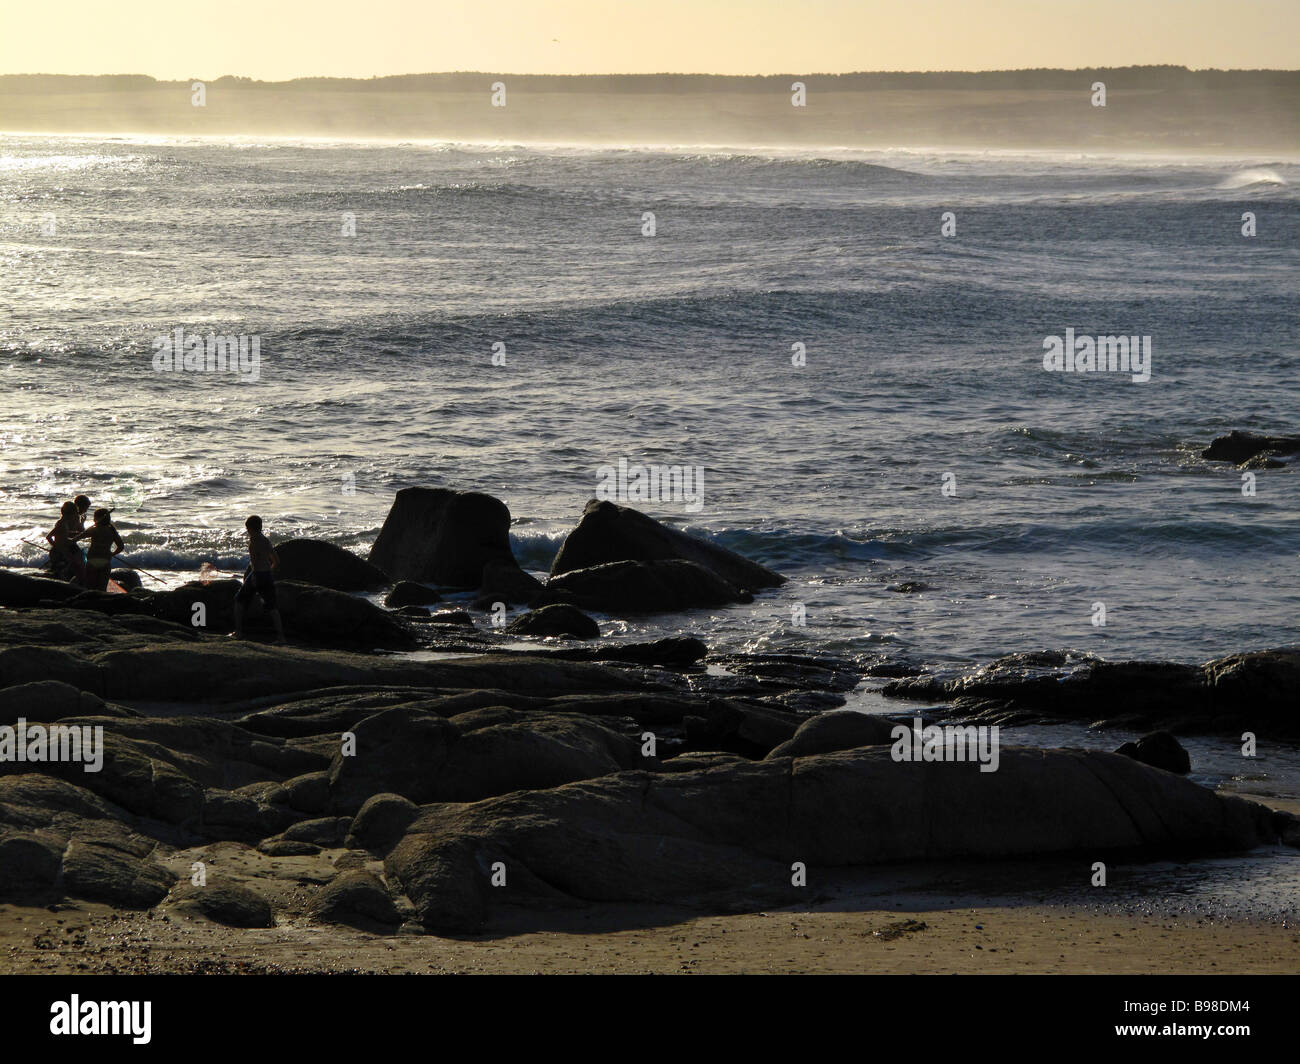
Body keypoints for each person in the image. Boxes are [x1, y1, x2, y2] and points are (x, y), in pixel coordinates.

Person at [230, 515, 284, 643]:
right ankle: (281, 637)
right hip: (267, 574)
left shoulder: (253, 542)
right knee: (272, 607)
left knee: (239, 601)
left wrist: (254, 577)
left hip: (256, 575)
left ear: (251, 528)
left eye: (247, 528)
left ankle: (238, 632)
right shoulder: (265, 540)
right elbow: (276, 561)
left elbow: (254, 562)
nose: (247, 531)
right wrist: (270, 571)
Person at [74, 508, 124, 592]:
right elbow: (121, 546)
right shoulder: (112, 531)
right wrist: (112, 554)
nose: (93, 519)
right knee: (102, 589)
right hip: (105, 561)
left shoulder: (94, 530)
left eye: (94, 517)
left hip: (92, 561)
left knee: (90, 588)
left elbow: (76, 538)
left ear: (97, 519)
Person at [45, 501, 86, 584]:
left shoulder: (66, 523)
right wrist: (58, 548)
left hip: (65, 551)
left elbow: (64, 535)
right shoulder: (61, 523)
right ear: (71, 513)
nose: (76, 514)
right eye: (75, 512)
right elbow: (49, 537)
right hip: (60, 553)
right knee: (62, 575)